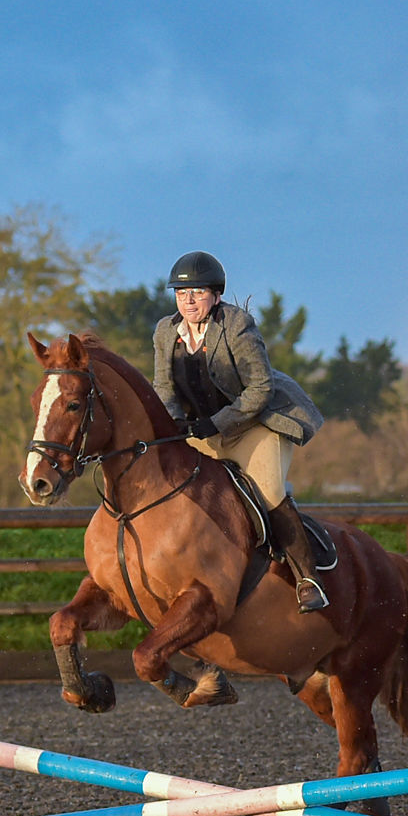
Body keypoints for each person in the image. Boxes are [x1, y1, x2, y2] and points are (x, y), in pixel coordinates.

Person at [152, 250, 330, 612]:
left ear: (215, 295)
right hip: (205, 430)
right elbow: (164, 390)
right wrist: (174, 425)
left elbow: (260, 390)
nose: (188, 300)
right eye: (181, 293)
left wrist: (215, 424)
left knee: (267, 491)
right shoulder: (164, 332)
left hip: (257, 423)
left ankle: (308, 580)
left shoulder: (237, 325)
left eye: (197, 292)